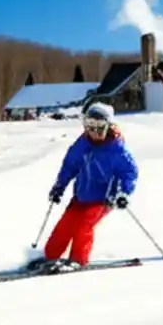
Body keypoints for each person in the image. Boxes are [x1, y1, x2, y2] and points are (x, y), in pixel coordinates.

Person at [33, 102, 138, 271]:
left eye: (99, 127)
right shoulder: (82, 144)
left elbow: (129, 173)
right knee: (65, 225)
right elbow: (70, 165)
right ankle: (50, 257)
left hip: (103, 199)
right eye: (89, 125)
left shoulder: (117, 149)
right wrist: (60, 186)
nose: (94, 131)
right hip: (82, 195)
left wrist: (123, 193)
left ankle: (78, 259)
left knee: (84, 225)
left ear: (108, 126)